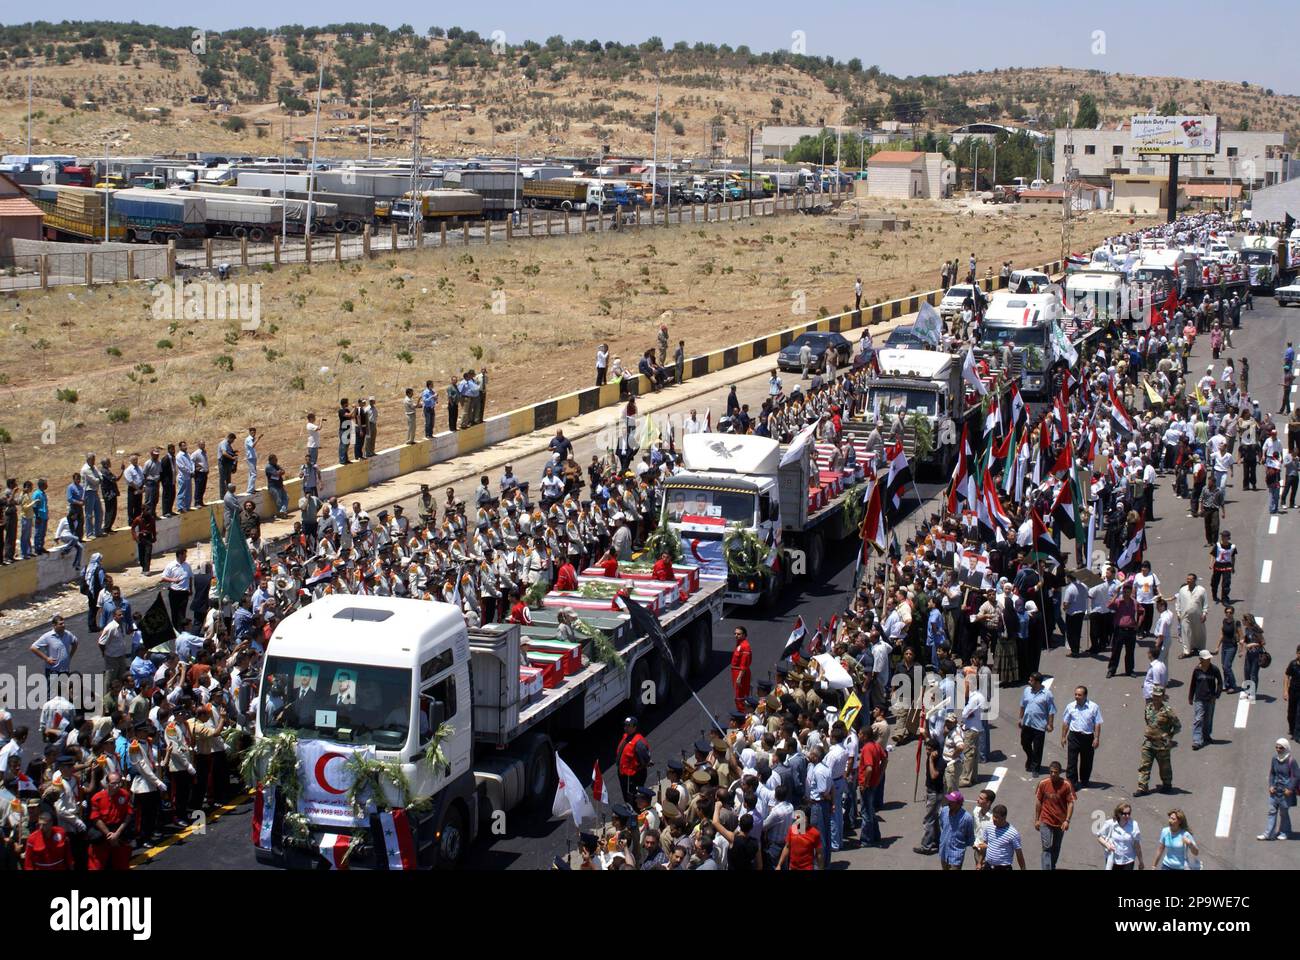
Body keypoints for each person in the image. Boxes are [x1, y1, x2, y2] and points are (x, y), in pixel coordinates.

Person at [1136, 685, 1180, 796]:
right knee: (1144, 765)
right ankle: (1142, 787)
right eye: (1155, 696)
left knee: (1164, 766)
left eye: (1159, 696)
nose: (1156, 698)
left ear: (1163, 697)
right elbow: (1148, 721)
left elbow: (1177, 726)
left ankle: (1167, 784)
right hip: (1149, 742)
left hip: (1161, 744)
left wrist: (1168, 736)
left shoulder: (1167, 711)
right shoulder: (1148, 707)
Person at [1033, 761, 1074, 871]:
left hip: (1060, 822)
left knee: (1056, 846)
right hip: (1045, 820)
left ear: (1060, 772)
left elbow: (1070, 803)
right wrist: (1037, 819)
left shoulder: (1066, 785)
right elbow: (1038, 801)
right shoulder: (1043, 783)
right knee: (1046, 847)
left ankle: (1052, 866)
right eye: (1051, 772)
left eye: (1055, 772)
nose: (1053, 774)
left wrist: (1067, 820)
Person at [1060, 685, 1102, 789]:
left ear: (1085, 695)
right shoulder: (1070, 706)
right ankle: (1071, 783)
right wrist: (1063, 736)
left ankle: (1084, 780)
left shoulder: (1094, 707)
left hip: (1087, 737)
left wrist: (1096, 738)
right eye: (1075, 694)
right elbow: (1066, 722)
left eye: (1079, 695)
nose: (1077, 696)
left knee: (1087, 761)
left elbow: (1097, 723)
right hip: (1074, 736)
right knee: (1072, 761)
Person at [1258, 738, 1299, 841]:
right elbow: (1272, 773)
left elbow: (1296, 776)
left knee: (1283, 812)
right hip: (1275, 790)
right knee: (1271, 811)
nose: (1278, 749)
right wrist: (1271, 785)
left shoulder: (1291, 761)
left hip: (1286, 792)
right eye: (1276, 747)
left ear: (1286, 748)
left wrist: (1290, 788)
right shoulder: (1274, 759)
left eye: (1280, 747)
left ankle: (1285, 832)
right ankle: (1269, 833)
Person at [1018, 672, 1055, 775]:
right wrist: (1020, 718)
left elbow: (1051, 710)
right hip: (1027, 723)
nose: (1029, 681)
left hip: (1039, 725)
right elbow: (1022, 705)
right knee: (1025, 743)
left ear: (1038, 682)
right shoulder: (1026, 691)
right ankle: (1030, 757)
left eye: (1031, 680)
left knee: (1038, 748)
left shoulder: (1047, 694)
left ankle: (1035, 768)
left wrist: (1050, 724)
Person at [1188, 650, 1224, 749]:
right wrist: (1190, 697)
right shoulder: (1197, 670)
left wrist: (1217, 694)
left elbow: (1220, 682)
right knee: (1198, 719)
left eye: (1209, 659)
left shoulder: (1214, 669)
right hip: (1199, 698)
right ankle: (1197, 740)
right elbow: (1193, 684)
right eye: (1205, 659)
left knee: (1208, 719)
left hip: (1210, 698)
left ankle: (1206, 736)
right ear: (1200, 659)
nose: (1208, 660)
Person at [1097, 803, 1144, 870]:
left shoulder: (1134, 825)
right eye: (1124, 814)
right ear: (1118, 813)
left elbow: (1137, 845)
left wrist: (1141, 861)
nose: (1127, 816)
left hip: (1128, 860)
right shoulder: (1110, 823)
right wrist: (1107, 845)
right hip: (1113, 859)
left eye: (1129, 813)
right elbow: (1099, 837)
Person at [937, 789, 975, 870]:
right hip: (944, 852)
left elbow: (970, 836)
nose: (949, 802)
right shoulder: (944, 811)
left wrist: (960, 845)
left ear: (958, 804)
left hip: (956, 854)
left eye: (952, 801)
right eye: (949, 800)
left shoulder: (967, 818)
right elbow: (942, 825)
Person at [980, 804, 1026, 870]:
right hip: (988, 866)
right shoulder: (989, 827)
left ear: (1004, 817)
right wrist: (980, 862)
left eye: (997, 817)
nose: (994, 819)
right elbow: (984, 845)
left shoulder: (1013, 833)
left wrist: (1023, 868)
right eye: (993, 816)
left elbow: (1019, 853)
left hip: (1003, 868)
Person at [615, 716, 650, 800]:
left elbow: (645, 760)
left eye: (628, 726)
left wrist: (636, 771)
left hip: (633, 777)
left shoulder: (639, 743)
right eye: (625, 725)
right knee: (626, 796)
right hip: (623, 774)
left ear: (635, 727)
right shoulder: (626, 736)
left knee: (633, 798)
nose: (625, 728)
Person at [1175, 573, 1209, 658]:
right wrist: (1178, 613)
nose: (1188, 580)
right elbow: (1178, 602)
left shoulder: (1201, 590)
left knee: (1199, 633)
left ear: (1195, 580)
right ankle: (1186, 652)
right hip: (1185, 616)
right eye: (1187, 579)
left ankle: (1200, 650)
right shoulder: (1182, 590)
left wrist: (1204, 613)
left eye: (1190, 579)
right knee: (1186, 632)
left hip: (1198, 615)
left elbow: (1205, 603)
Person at [1210, 529, 1237, 604]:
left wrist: (1233, 567)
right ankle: (1214, 595)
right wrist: (1211, 564)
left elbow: (1233, 557)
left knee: (1226, 583)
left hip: (1227, 566)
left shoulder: (1232, 547)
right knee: (1215, 582)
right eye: (1222, 536)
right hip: (1218, 565)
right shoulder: (1218, 546)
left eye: (1224, 536)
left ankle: (1225, 599)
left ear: (1228, 538)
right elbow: (1213, 555)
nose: (1222, 538)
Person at [729, 626, 752, 713]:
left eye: (738, 634)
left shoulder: (745, 646)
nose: (736, 635)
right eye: (735, 633)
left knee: (740, 696)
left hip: (741, 673)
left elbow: (744, 664)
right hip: (737, 672)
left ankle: (742, 715)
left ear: (744, 635)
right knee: (738, 694)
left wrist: (739, 677)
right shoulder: (739, 644)